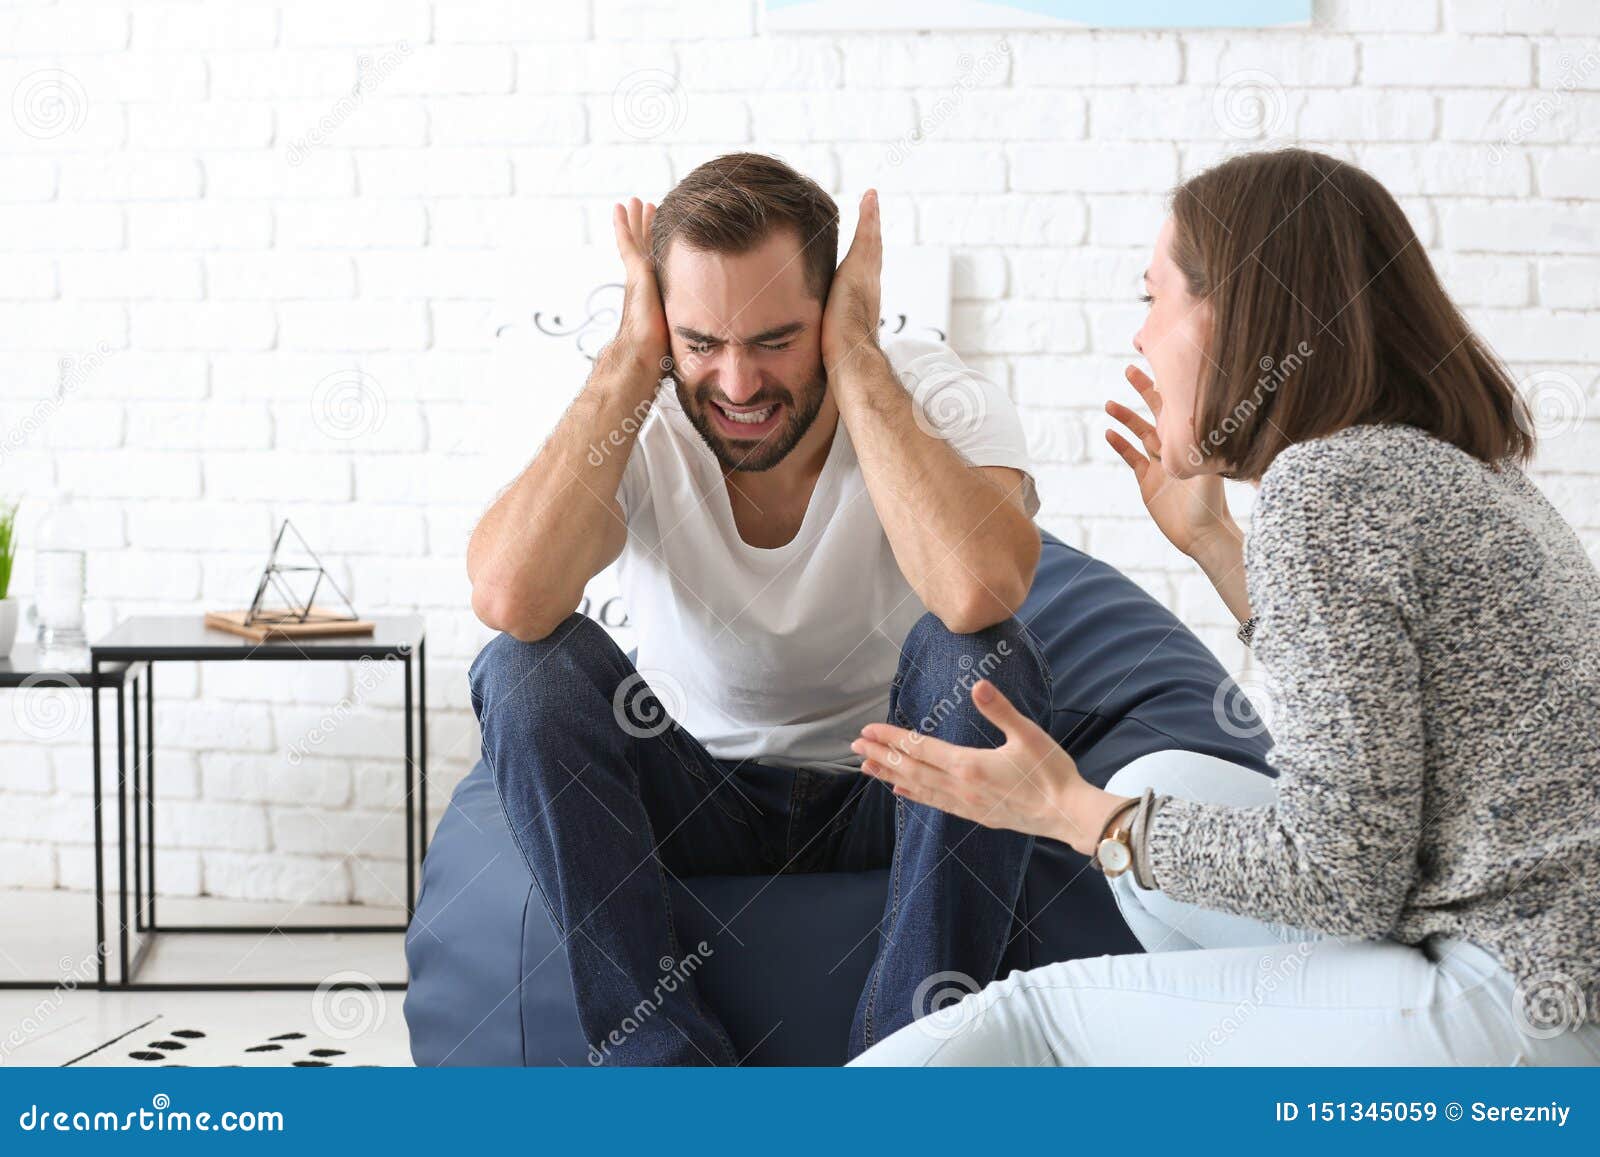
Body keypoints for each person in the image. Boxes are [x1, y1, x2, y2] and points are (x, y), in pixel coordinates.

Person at [849, 147, 1600, 1066]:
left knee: (1027, 1023)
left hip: (1523, 1001)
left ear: (1237, 312)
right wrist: (1212, 542)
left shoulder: (1327, 487)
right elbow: (1372, 717)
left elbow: (1346, 871)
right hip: (1554, 971)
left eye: (1154, 296)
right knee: (1166, 779)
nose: (1141, 337)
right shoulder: (1452, 470)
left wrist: (1068, 809)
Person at [466, 153, 1050, 1064]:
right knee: (521, 668)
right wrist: (631, 359)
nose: (738, 385)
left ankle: (911, 1074)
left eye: (777, 340)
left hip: (890, 786)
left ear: (835, 307)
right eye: (702, 342)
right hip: (693, 793)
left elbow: (982, 588)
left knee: (983, 655)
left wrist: (857, 360)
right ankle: (672, 1082)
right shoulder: (639, 404)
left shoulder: (925, 391)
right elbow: (511, 596)